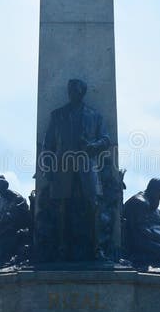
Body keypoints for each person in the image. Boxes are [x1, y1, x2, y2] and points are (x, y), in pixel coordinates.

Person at [39, 78, 111, 261]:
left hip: (87, 164)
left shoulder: (94, 116)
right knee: (62, 207)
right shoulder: (58, 115)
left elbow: (105, 139)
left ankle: (97, 249)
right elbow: (48, 144)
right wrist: (48, 168)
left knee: (94, 205)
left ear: (82, 93)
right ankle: (62, 248)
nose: (72, 94)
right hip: (63, 165)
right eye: (70, 90)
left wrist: (92, 146)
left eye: (76, 91)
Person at [123, 178, 160, 268]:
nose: (159, 197)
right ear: (152, 190)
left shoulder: (156, 210)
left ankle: (154, 261)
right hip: (138, 242)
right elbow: (139, 232)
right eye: (158, 193)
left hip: (148, 239)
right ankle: (138, 260)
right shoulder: (140, 202)